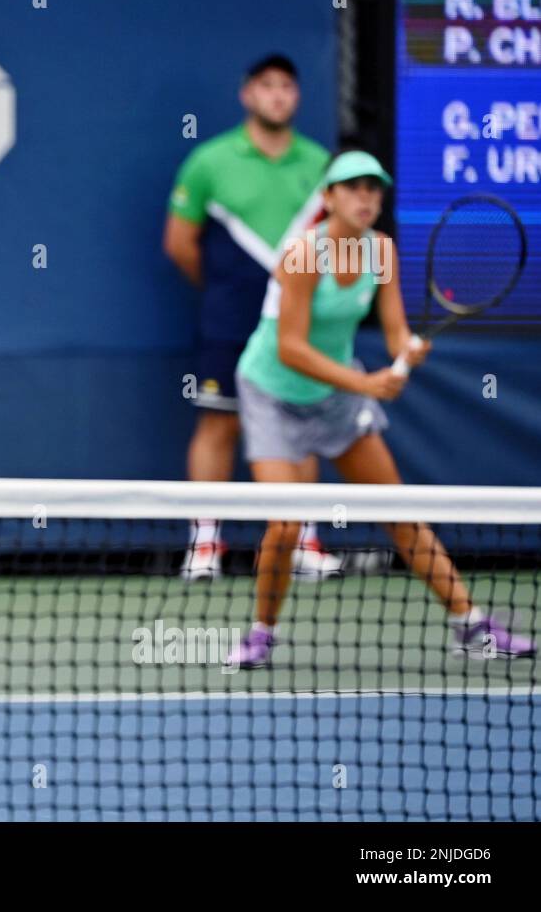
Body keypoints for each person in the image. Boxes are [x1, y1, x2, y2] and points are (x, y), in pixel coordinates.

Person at [226, 150, 536, 668]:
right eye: (353, 187)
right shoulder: (302, 254)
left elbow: (394, 328)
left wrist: (406, 349)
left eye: (373, 188)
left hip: (340, 396)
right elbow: (291, 348)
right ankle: (262, 633)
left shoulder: (382, 252)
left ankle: (471, 625)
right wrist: (364, 382)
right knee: (283, 526)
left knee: (400, 513)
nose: (365, 197)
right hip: (274, 393)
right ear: (328, 198)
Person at [165, 54, 341, 581]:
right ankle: (204, 546)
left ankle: (303, 540)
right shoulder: (209, 162)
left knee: (300, 425)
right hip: (228, 316)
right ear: (247, 94)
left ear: (298, 96)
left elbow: (337, 244)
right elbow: (180, 245)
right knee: (217, 421)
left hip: (296, 317)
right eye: (267, 86)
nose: (278, 95)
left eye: (287, 86)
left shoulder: (320, 166)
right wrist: (226, 290)